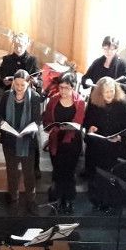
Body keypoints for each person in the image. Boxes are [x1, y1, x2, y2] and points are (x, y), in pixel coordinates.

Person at [0, 70, 42, 215]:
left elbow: (37, 120)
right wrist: (2, 123)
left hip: (27, 141)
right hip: (10, 140)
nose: (19, 87)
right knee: (12, 172)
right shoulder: (6, 95)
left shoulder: (34, 97)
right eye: (16, 84)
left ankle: (31, 200)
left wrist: (28, 130)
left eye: (22, 85)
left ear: (28, 83)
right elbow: (0, 115)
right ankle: (14, 199)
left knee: (29, 173)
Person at [83, 76, 126, 212]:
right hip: (98, 146)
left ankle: (113, 203)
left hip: (116, 147)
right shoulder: (94, 103)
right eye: (106, 92)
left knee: (114, 176)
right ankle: (98, 202)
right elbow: (86, 121)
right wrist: (90, 127)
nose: (110, 94)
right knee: (98, 176)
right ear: (100, 92)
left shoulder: (121, 104)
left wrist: (120, 136)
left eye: (112, 91)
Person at [43, 72, 85, 214]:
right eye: (61, 87)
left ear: (73, 87)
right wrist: (49, 127)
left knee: (69, 172)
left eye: (67, 88)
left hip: (72, 141)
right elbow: (47, 119)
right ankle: (56, 199)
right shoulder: (53, 100)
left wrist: (67, 127)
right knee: (57, 171)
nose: (63, 91)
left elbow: (79, 121)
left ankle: (68, 200)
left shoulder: (79, 102)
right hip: (56, 141)